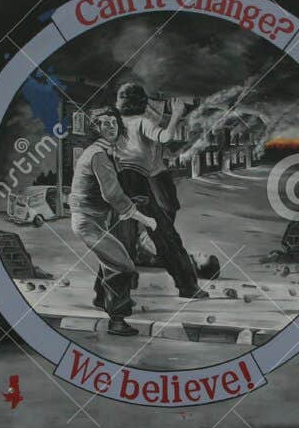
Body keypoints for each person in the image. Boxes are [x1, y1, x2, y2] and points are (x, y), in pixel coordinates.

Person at [112, 81, 207, 299]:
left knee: (119, 238)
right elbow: (165, 137)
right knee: (164, 234)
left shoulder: (115, 123)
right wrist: (176, 115)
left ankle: (112, 294)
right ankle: (188, 286)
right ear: (142, 103)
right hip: (139, 180)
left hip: (121, 181)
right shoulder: (143, 121)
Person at [70, 110, 158, 336]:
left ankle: (101, 300)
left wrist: (132, 202)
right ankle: (117, 321)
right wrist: (143, 218)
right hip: (87, 222)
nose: (111, 127)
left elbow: (108, 192)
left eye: (113, 123)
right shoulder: (98, 154)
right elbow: (112, 195)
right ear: (95, 129)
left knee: (109, 257)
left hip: (95, 219)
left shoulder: (105, 152)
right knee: (122, 265)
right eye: (104, 124)